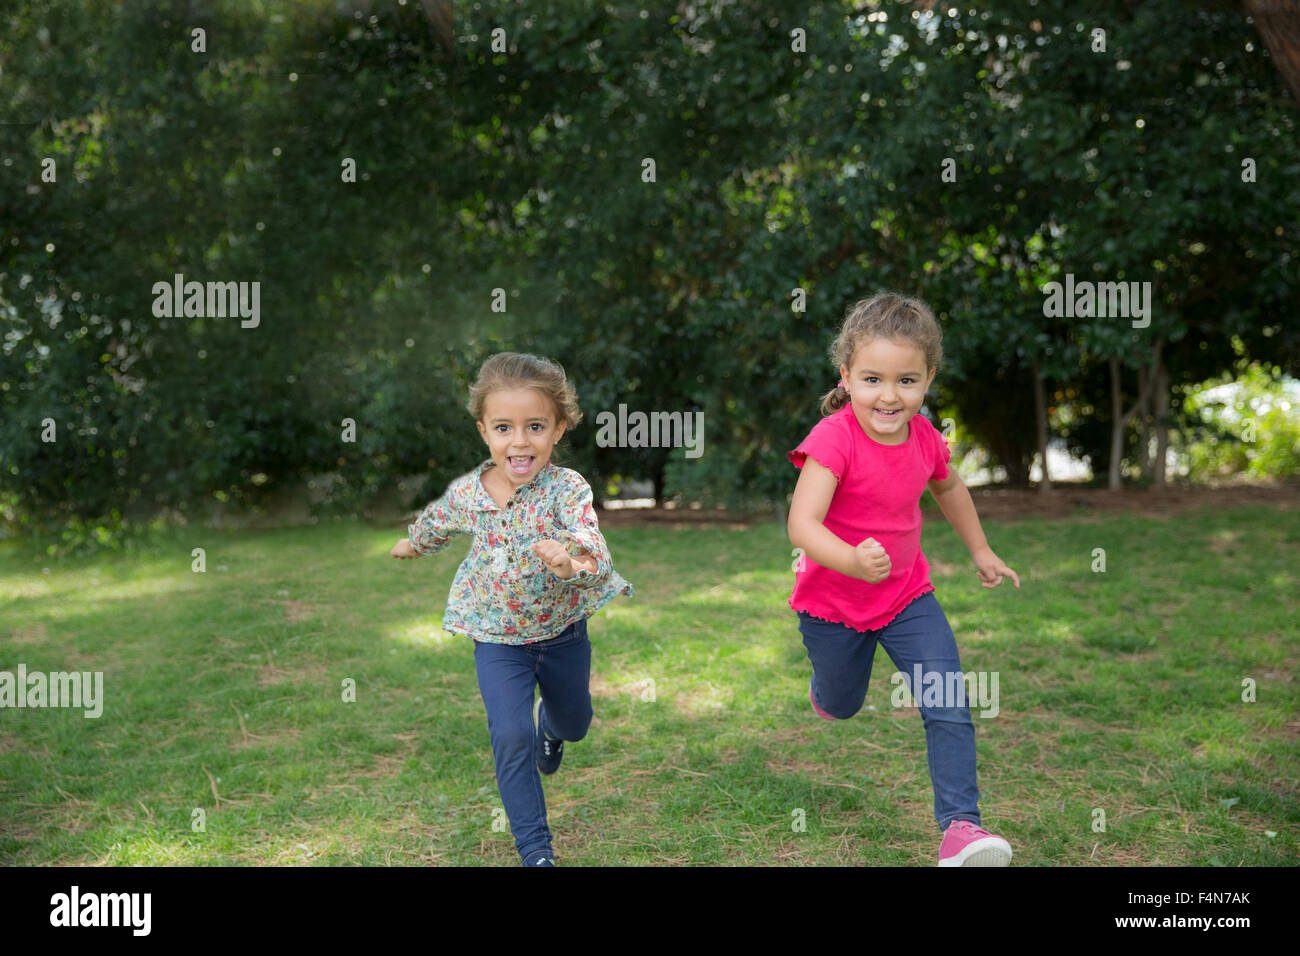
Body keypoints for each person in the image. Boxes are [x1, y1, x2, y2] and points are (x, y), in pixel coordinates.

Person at [786, 292, 1019, 867]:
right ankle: (826, 691)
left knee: (947, 700)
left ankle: (960, 829)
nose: (889, 395)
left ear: (928, 379)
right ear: (846, 377)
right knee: (841, 703)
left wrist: (982, 550)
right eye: (872, 378)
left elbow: (949, 488)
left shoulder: (925, 437)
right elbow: (801, 523)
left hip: (907, 596)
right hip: (832, 602)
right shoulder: (834, 438)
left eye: (906, 380)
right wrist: (848, 561)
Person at [390, 351, 633, 866]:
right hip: (497, 640)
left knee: (575, 722)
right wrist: (413, 543)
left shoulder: (566, 490)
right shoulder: (469, 494)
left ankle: (553, 728)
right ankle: (535, 849)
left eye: (535, 426)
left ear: (558, 428)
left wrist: (568, 563)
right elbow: (438, 521)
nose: (519, 441)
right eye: (504, 427)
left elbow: (594, 546)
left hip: (561, 634)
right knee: (508, 734)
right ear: (484, 431)